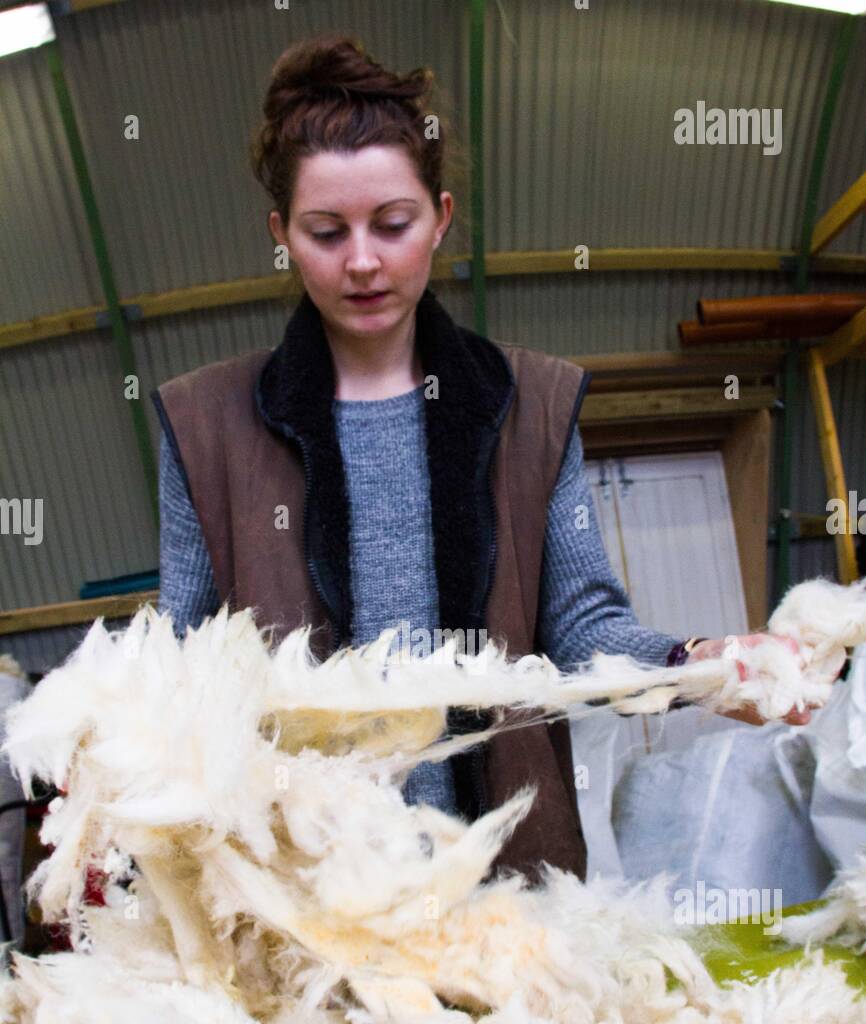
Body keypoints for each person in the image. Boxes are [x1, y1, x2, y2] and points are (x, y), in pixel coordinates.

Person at [152, 34, 815, 884]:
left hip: (504, 879)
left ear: (441, 218)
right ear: (281, 234)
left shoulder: (528, 406)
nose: (363, 261)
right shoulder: (206, 427)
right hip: (300, 899)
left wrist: (698, 663)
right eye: (326, 231)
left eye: (393, 224)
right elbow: (178, 663)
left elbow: (580, 631)